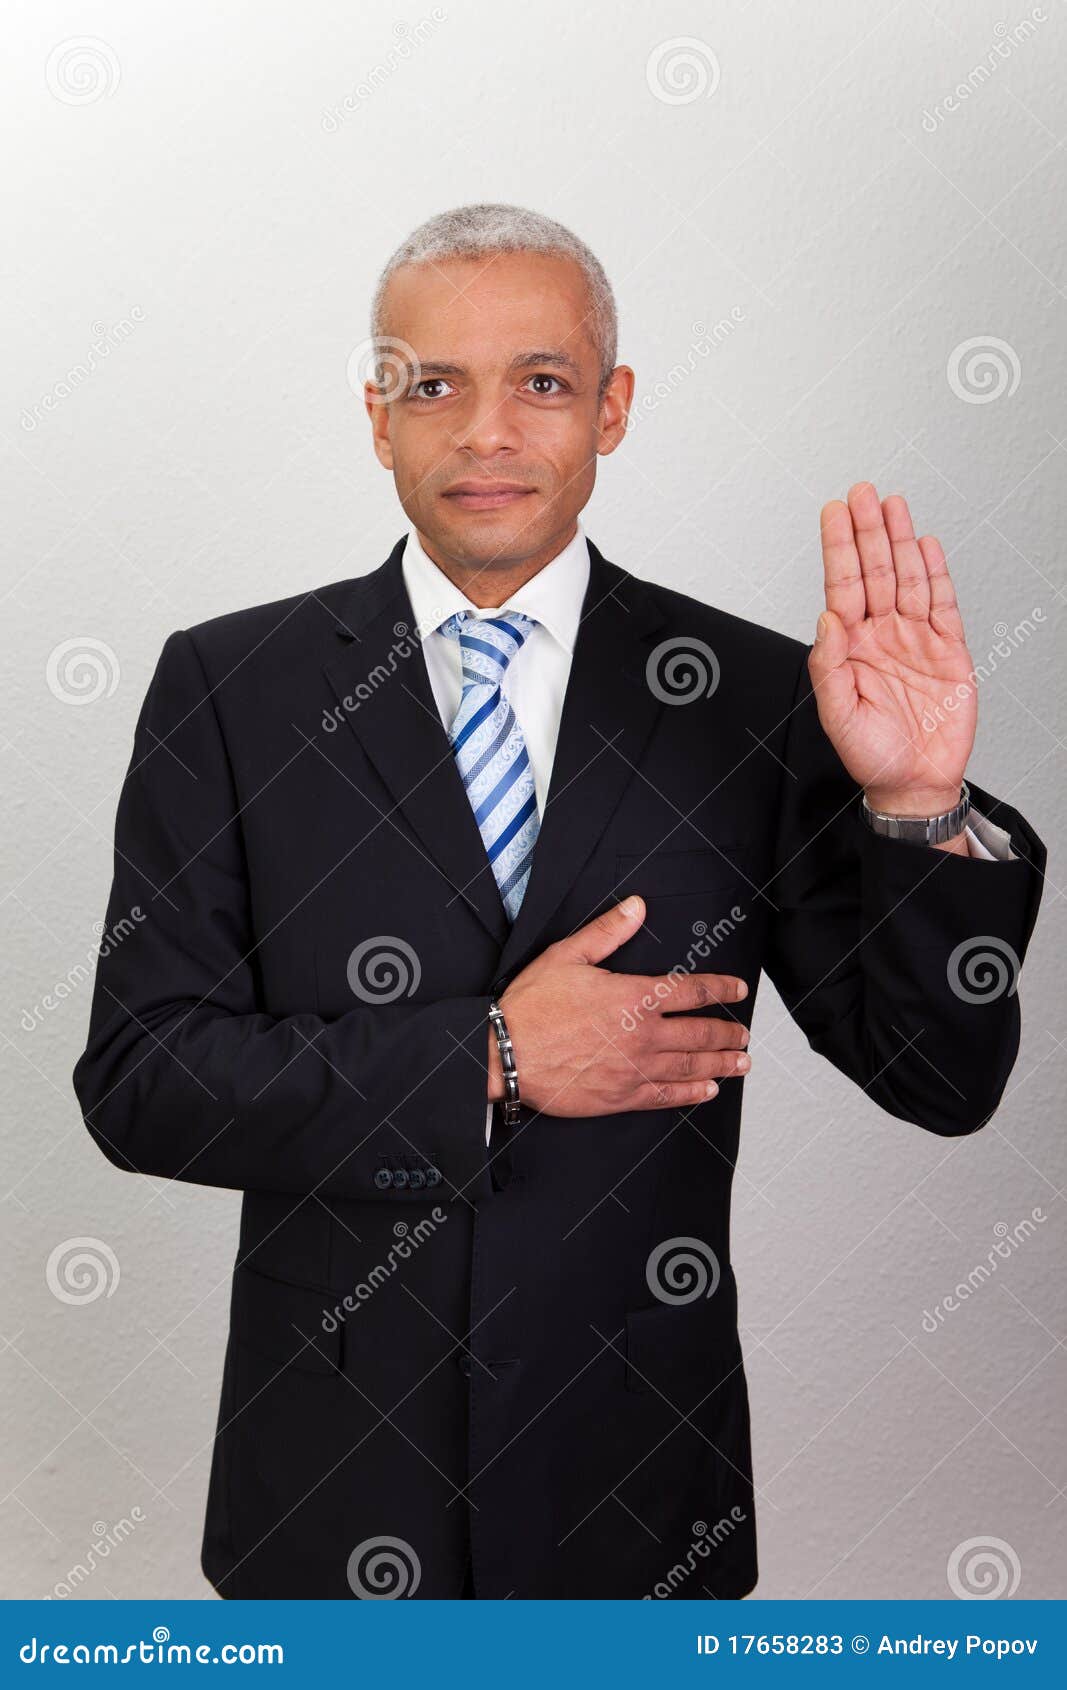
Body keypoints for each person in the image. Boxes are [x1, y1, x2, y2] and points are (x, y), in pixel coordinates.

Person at [73, 203, 1045, 1600]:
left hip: (637, 1500)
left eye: (540, 381)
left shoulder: (752, 699)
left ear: (612, 408)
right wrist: (490, 1055)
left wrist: (915, 804)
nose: (486, 433)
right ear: (376, 414)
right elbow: (142, 1081)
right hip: (333, 1488)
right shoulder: (233, 690)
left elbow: (938, 1077)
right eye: (433, 385)